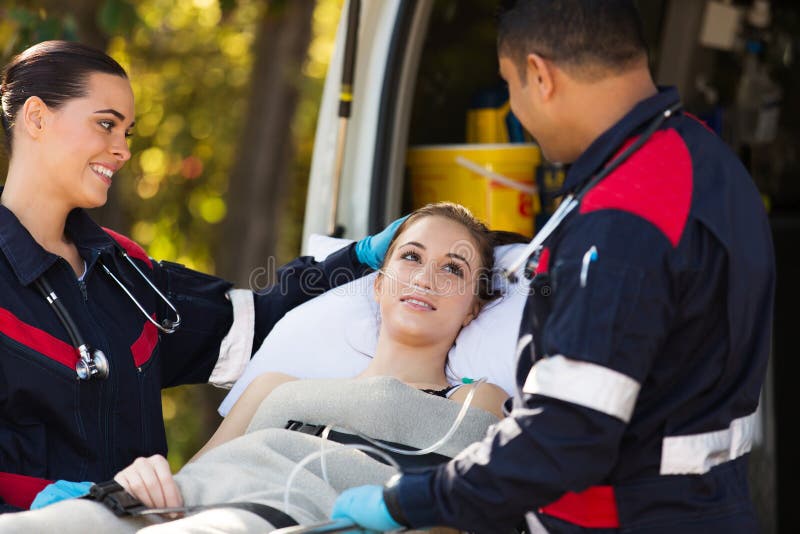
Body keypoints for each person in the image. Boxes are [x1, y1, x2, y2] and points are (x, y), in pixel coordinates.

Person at [332, 1, 776, 533]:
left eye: (511, 86)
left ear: (539, 76)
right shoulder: (701, 158)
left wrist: (411, 502)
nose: (516, 111)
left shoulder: (624, 218)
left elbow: (568, 436)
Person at [0, 40, 403, 512]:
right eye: (106, 124)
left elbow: (253, 322)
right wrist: (39, 502)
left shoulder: (123, 268)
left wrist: (361, 257)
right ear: (36, 118)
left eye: (128, 133)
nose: (123, 150)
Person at [0, 202, 511, 533]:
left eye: (453, 268)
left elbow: (458, 512)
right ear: (377, 282)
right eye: (411, 257)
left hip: (267, 520)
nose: (425, 278)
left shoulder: (476, 400)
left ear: (473, 307)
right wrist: (140, 478)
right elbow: (191, 480)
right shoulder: (273, 386)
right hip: (161, 512)